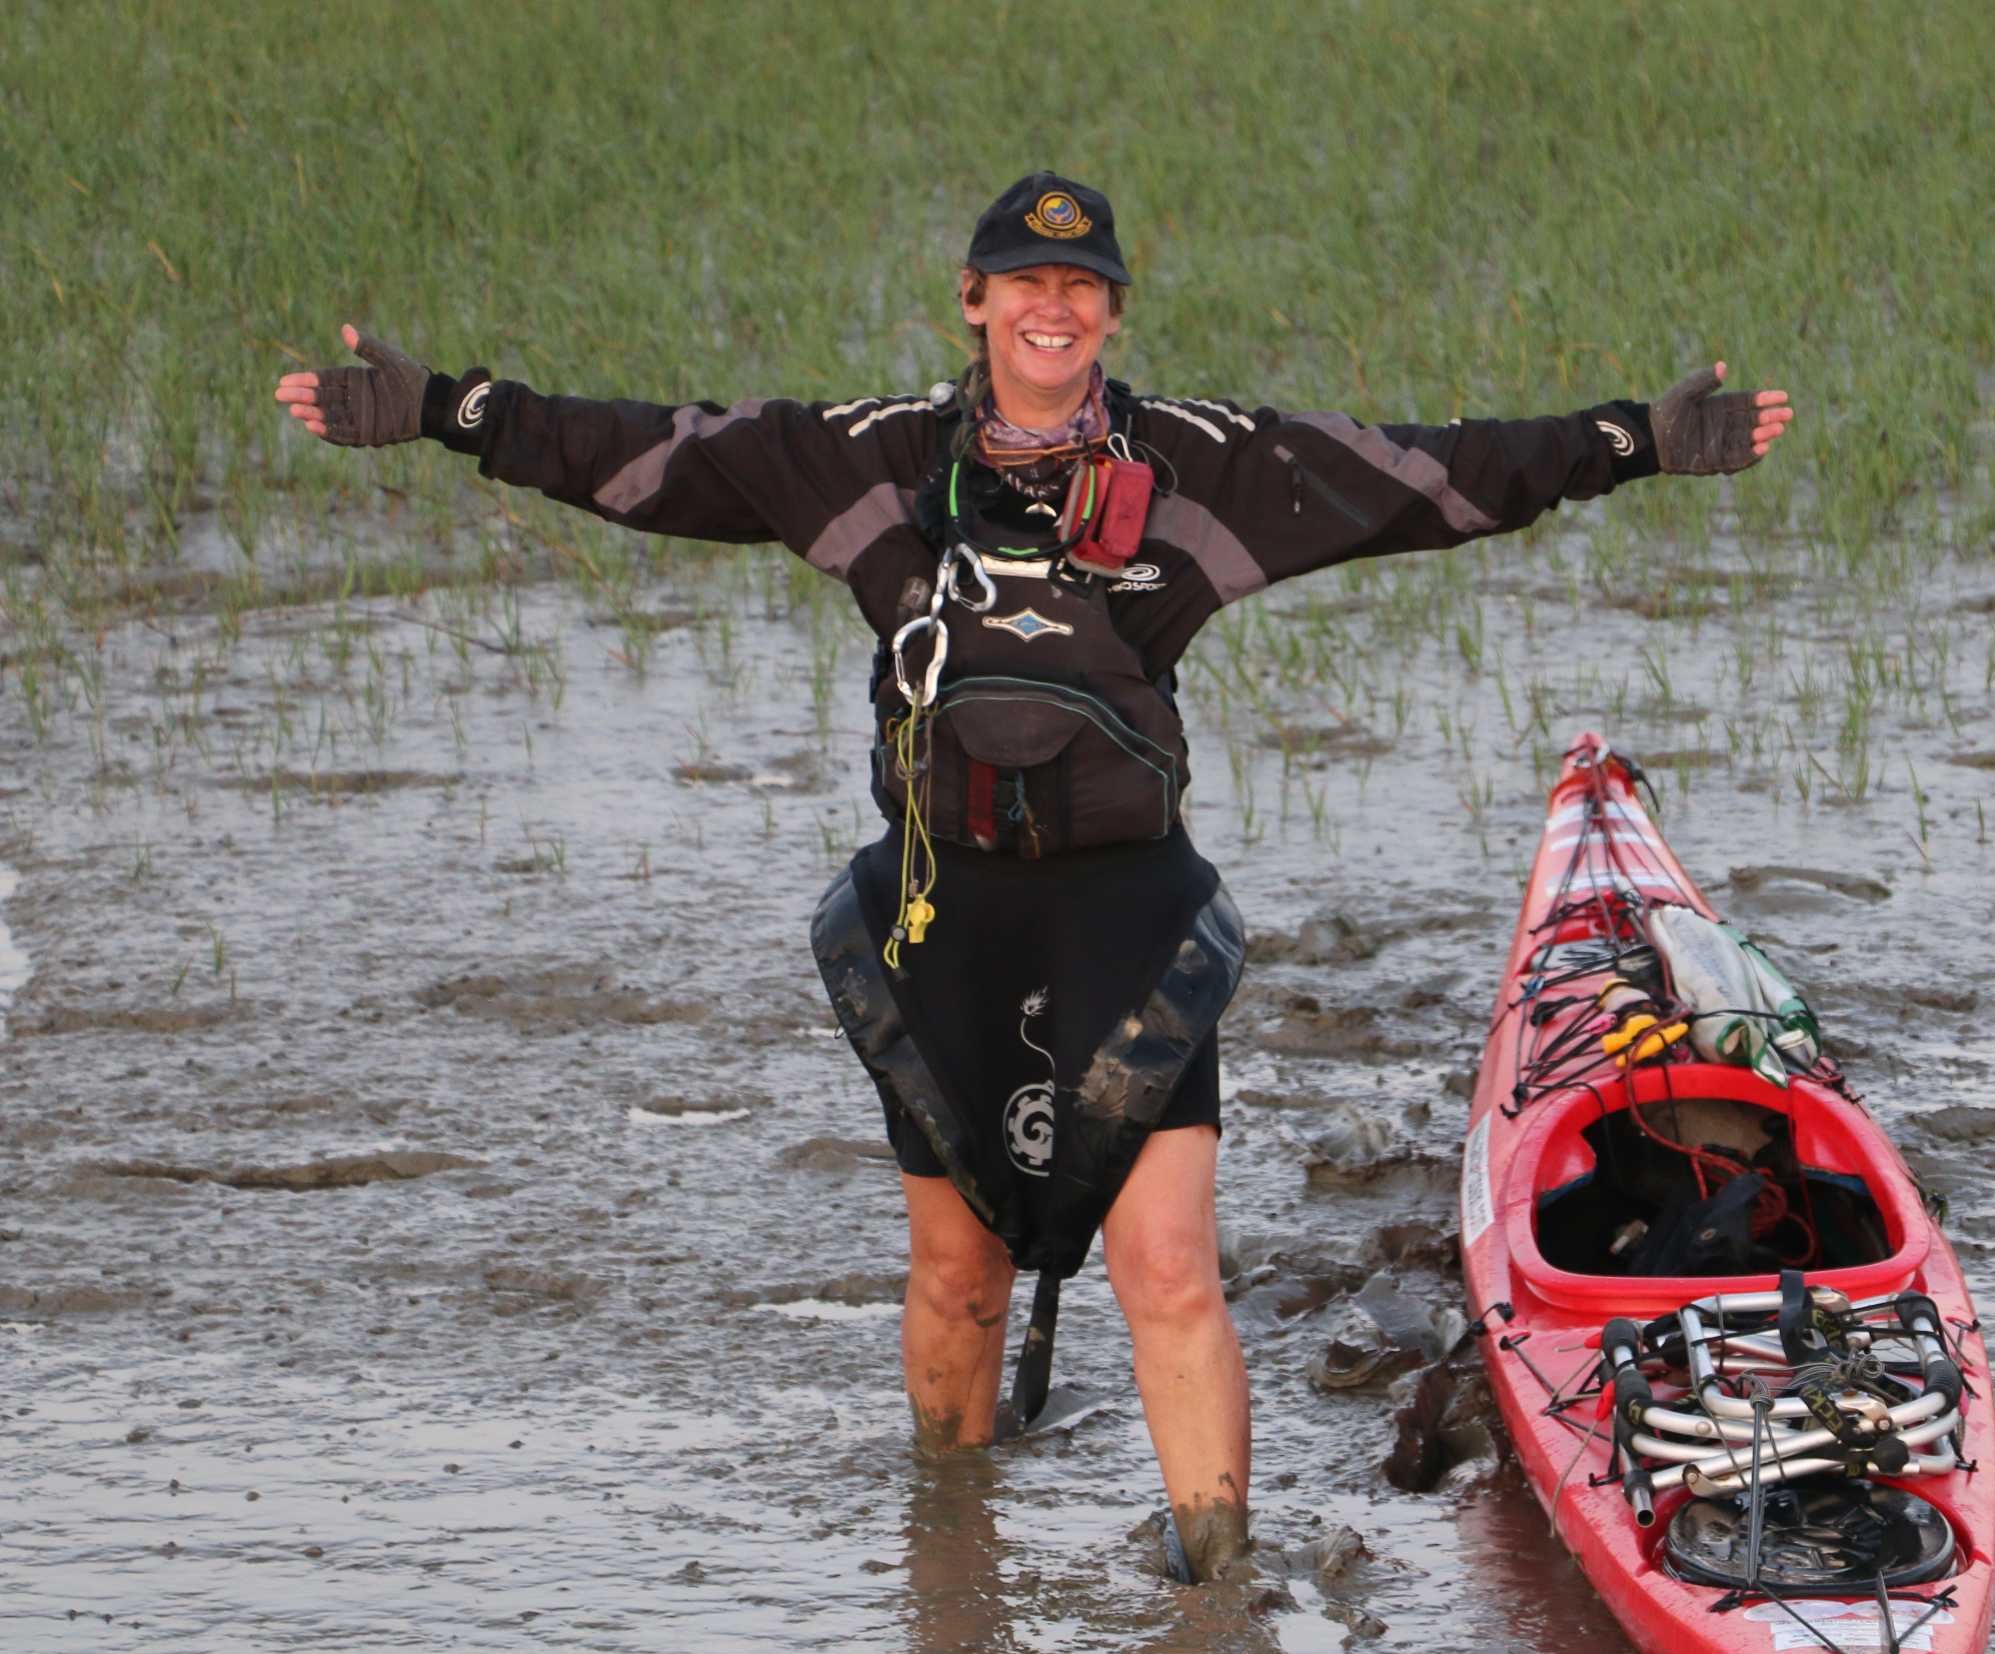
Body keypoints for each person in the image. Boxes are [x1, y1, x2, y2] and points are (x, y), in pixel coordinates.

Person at [272, 170, 1794, 1581]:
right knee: (954, 1277)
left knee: (1171, 1271)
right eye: (1023, 281)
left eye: (1081, 285)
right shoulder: (864, 459)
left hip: (1126, 913)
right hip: (947, 914)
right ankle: (954, 1585)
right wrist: (443, 411)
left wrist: (1634, 442)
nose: (1051, 307)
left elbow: (1435, 478)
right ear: (974, 299)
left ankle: (1213, 1619)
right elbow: (646, 455)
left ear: (1113, 313)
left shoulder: (1204, 466)